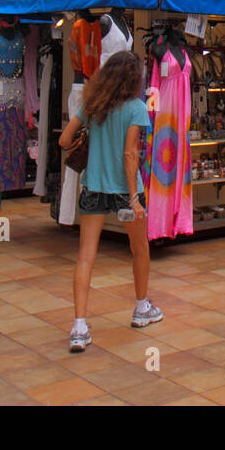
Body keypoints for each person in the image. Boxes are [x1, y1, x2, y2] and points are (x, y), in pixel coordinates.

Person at [58, 50, 162, 352]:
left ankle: (79, 326)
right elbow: (131, 154)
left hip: (93, 186)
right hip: (124, 190)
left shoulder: (92, 105)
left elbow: (65, 141)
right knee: (139, 250)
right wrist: (133, 198)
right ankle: (141, 307)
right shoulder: (136, 108)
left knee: (86, 256)